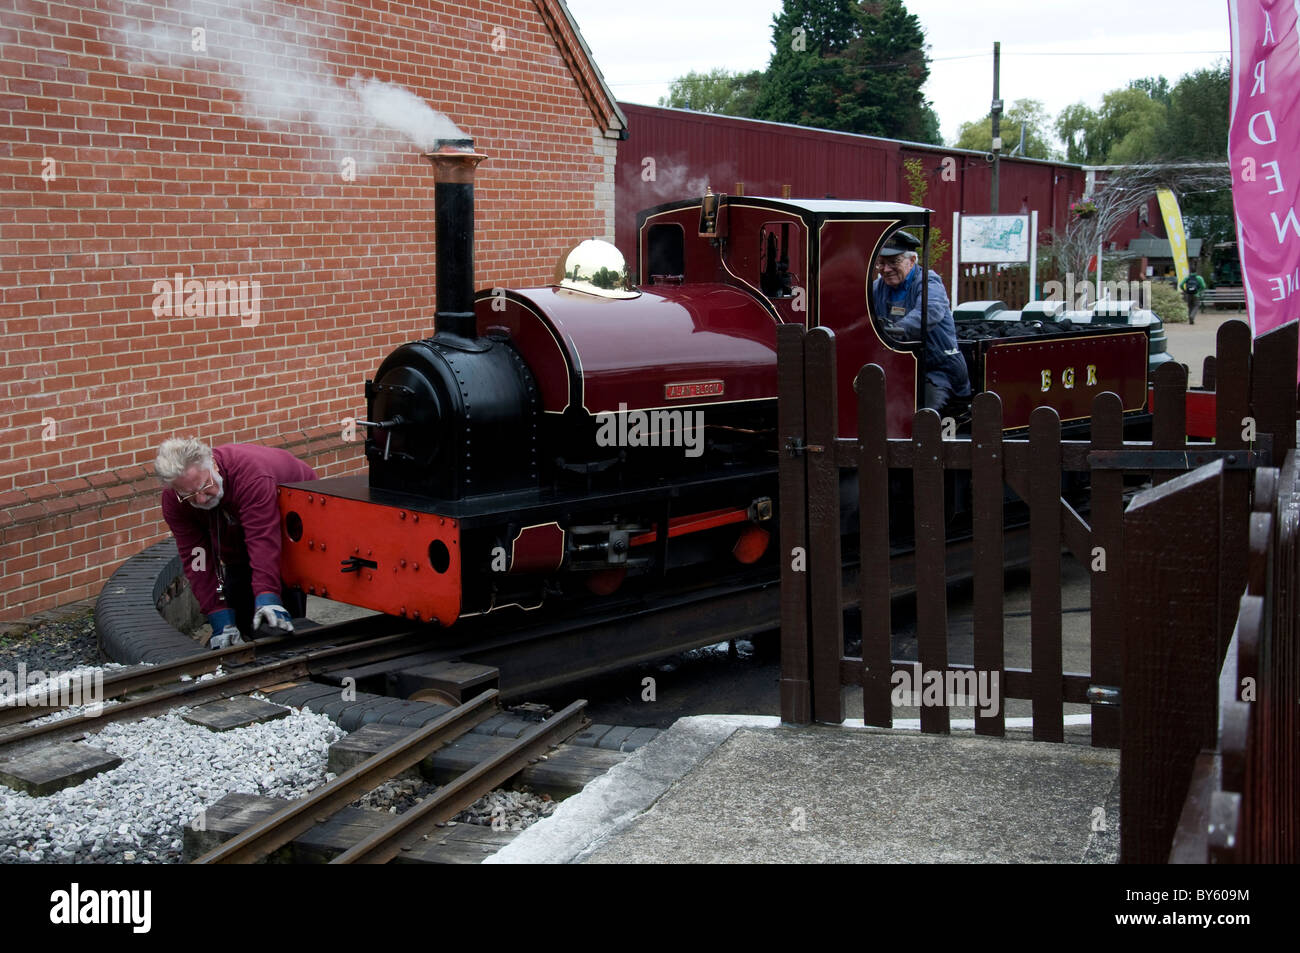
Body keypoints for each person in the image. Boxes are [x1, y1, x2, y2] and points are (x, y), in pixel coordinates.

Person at [155, 438, 317, 649]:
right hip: (236, 537)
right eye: (190, 495)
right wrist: (217, 614)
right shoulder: (175, 503)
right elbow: (197, 558)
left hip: (294, 526)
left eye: (205, 486)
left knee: (279, 605)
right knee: (238, 597)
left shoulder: (251, 475)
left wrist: (267, 597)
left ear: (213, 464)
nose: (202, 500)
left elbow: (262, 539)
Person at [870, 229, 972, 413]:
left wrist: (895, 329)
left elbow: (929, 311)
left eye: (894, 262)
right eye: (881, 264)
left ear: (913, 261)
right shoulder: (878, 288)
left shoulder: (929, 282)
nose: (886, 269)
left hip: (937, 370)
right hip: (900, 369)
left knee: (923, 417)